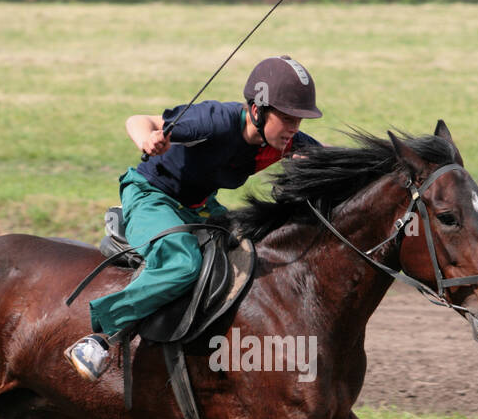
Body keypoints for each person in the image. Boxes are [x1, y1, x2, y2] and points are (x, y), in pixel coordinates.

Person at [66, 55, 323, 380]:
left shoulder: (282, 140)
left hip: (199, 206)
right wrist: (147, 139)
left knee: (253, 247)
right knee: (183, 264)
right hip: (150, 195)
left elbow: (329, 155)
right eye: (288, 118)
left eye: (299, 121)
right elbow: (138, 119)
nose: (294, 129)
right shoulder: (214, 120)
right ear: (257, 111)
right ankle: (102, 336)